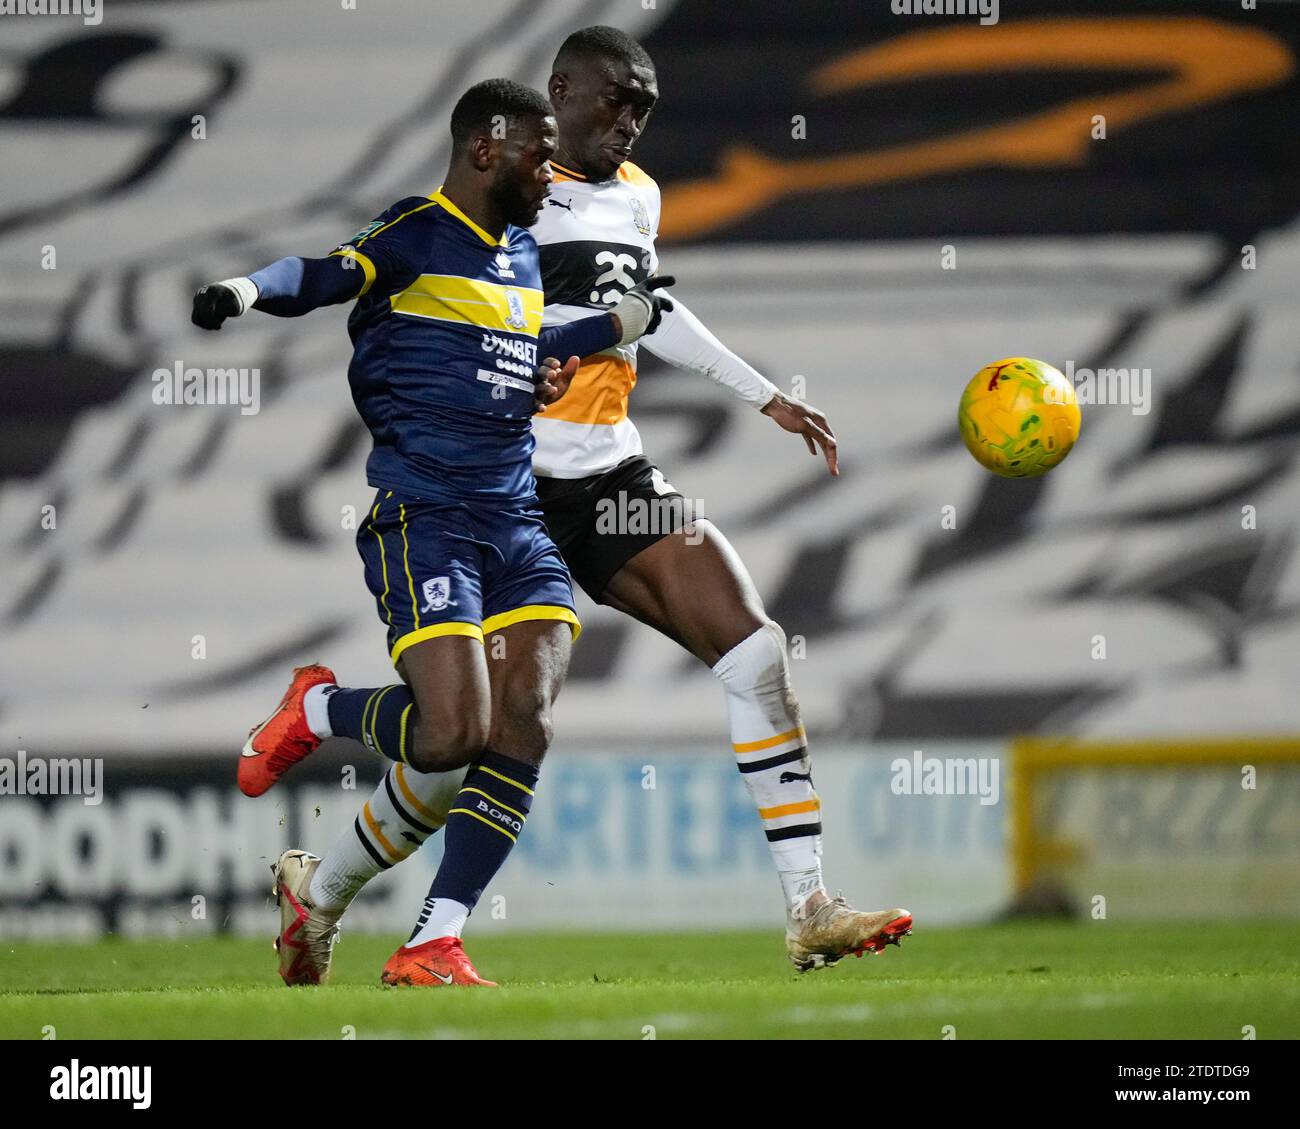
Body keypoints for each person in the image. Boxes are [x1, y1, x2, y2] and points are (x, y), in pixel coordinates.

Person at [191, 77, 673, 986]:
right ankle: (320, 707)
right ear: (485, 150)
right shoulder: (416, 231)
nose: (551, 172)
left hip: (516, 515)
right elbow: (324, 274)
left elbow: (529, 345)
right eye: (538, 154)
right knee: (453, 737)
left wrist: (624, 321)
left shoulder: (523, 254)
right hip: (427, 515)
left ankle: (432, 939)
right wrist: (244, 289)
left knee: (523, 715)